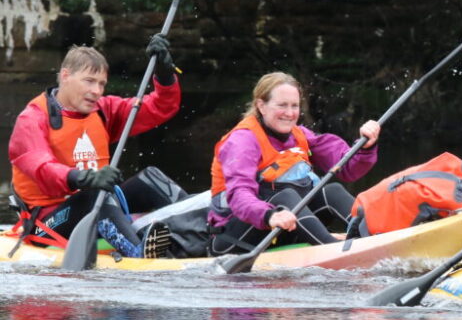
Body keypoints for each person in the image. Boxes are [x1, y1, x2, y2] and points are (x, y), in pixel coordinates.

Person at [7, 37, 182, 258]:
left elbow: (160, 106)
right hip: (47, 222)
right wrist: (85, 178)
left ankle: (201, 233)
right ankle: (139, 254)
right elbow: (42, 168)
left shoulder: (104, 110)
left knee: (152, 178)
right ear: (65, 76)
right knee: (94, 196)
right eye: (89, 81)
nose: (97, 90)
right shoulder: (32, 118)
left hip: (100, 201)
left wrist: (165, 75)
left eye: (101, 84)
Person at [208, 72, 381, 255]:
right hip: (233, 241)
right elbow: (239, 194)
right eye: (282, 105)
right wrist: (270, 215)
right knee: (286, 197)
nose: (290, 113)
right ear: (261, 106)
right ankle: (334, 250)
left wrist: (366, 147)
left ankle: (377, 233)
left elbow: (347, 167)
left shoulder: (299, 135)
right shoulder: (242, 141)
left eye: (295, 106)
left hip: (284, 229)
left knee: (332, 190)